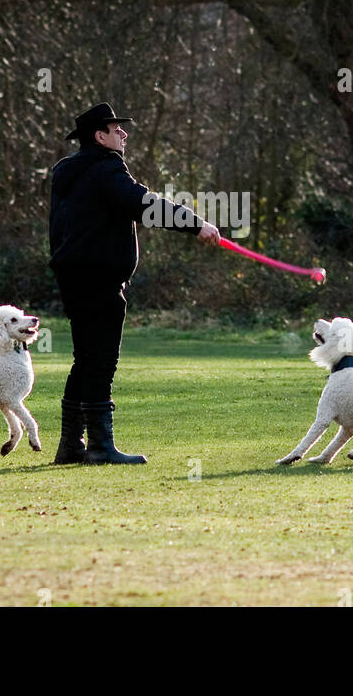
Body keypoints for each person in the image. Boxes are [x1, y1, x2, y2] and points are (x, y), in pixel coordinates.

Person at [48, 102, 220, 464]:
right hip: (99, 280)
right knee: (101, 360)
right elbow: (144, 204)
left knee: (85, 359)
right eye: (115, 129)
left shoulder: (69, 172)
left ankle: (71, 446)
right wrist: (196, 225)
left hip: (72, 278)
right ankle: (99, 446)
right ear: (100, 136)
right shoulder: (106, 169)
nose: (123, 133)